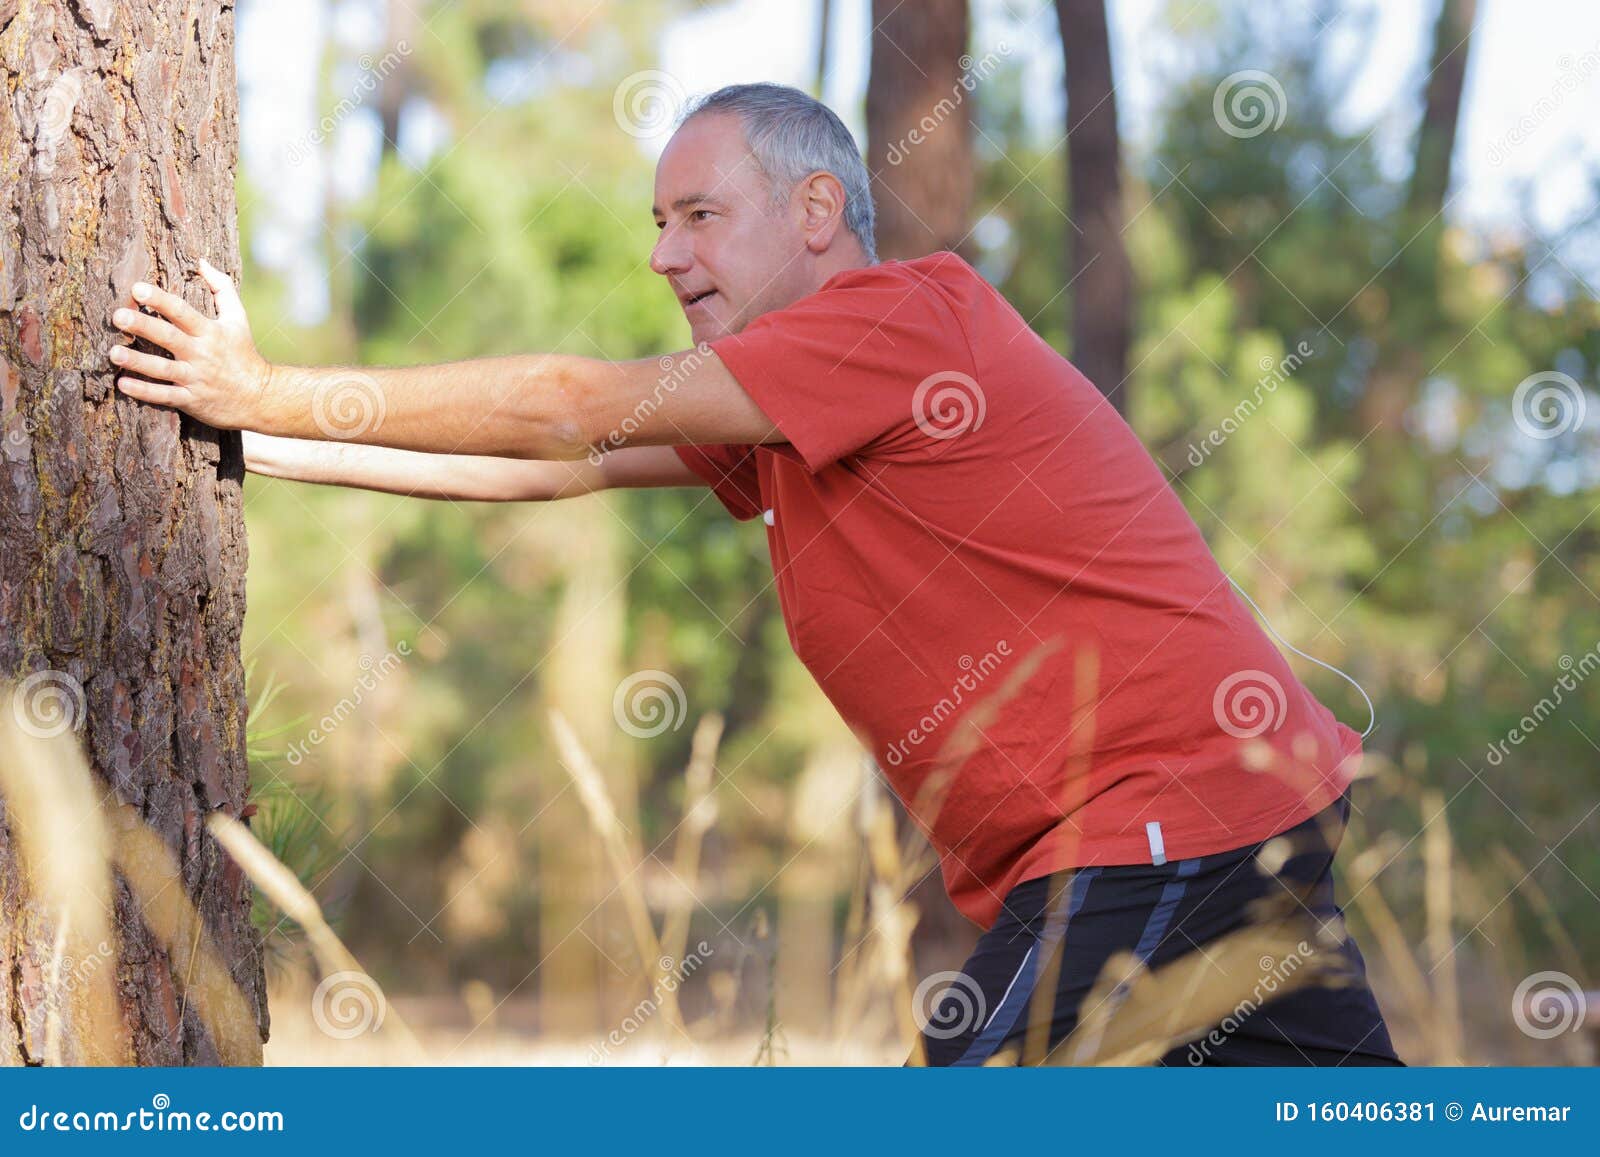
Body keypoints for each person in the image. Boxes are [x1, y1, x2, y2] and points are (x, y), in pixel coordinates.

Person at [106, 82, 1401, 1066]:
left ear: (819, 209)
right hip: (1221, 819)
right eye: (659, 224)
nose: (667, 257)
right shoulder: (793, 411)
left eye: (701, 217)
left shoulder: (901, 322)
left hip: (1168, 813)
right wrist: (255, 438)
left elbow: (569, 412)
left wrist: (268, 381)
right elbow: (562, 469)